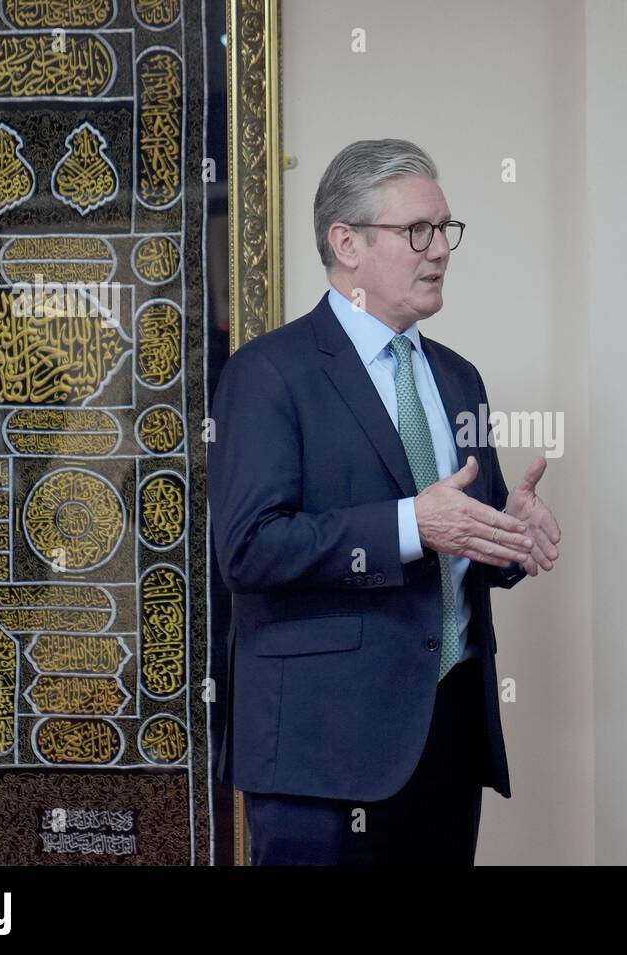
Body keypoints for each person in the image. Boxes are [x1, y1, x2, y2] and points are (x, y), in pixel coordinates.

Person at [208, 138, 562, 865]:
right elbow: (249, 548)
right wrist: (411, 525)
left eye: (445, 230)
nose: (440, 251)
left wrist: (510, 539)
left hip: (446, 738)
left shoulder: (458, 377)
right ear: (347, 244)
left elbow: (465, 533)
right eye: (417, 232)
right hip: (323, 757)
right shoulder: (270, 373)